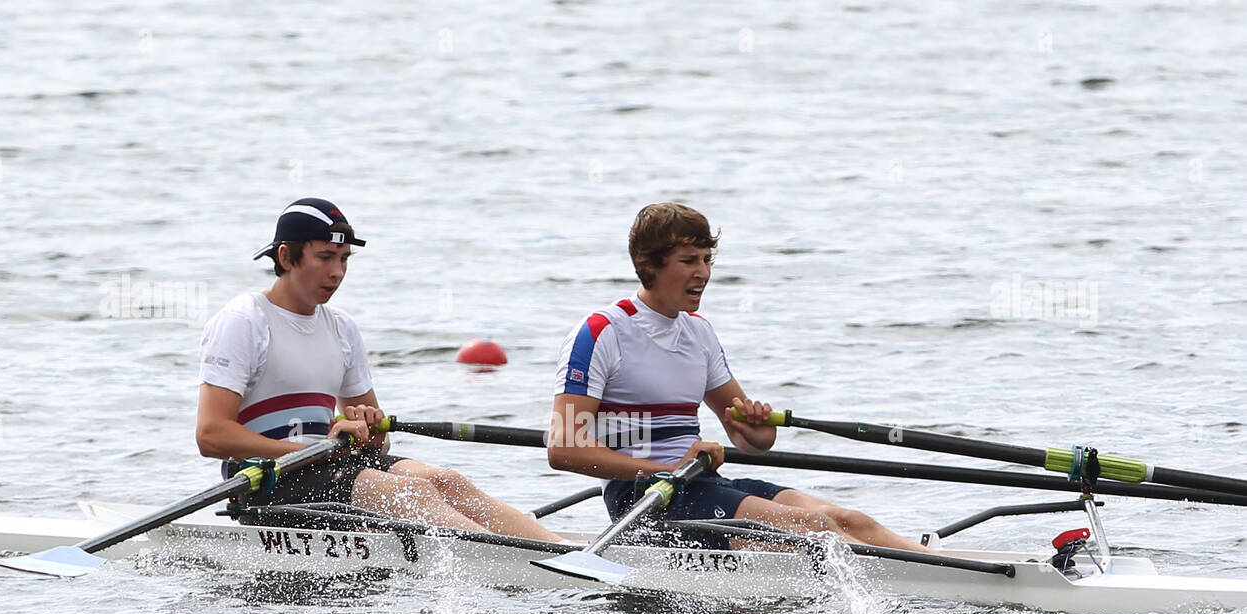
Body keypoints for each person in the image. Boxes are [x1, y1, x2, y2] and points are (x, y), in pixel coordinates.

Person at [547, 201, 928, 552]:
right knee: (813, 525)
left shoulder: (698, 333)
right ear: (650, 265)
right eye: (689, 261)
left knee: (848, 521)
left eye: (707, 259)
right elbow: (564, 449)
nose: (703, 273)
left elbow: (752, 440)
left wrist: (756, 426)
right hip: (643, 499)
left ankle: (942, 568)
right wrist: (669, 469)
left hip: (698, 484)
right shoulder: (600, 333)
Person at [197, 197, 561, 542]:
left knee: (447, 481)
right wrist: (304, 449)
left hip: (327, 467)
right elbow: (211, 436)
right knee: (411, 491)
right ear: (286, 257)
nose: (337, 272)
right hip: (267, 481)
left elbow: (378, 439)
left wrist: (368, 433)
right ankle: (509, 560)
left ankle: (569, 557)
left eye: (344, 259)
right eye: (325, 257)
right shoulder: (244, 320)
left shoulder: (341, 328)